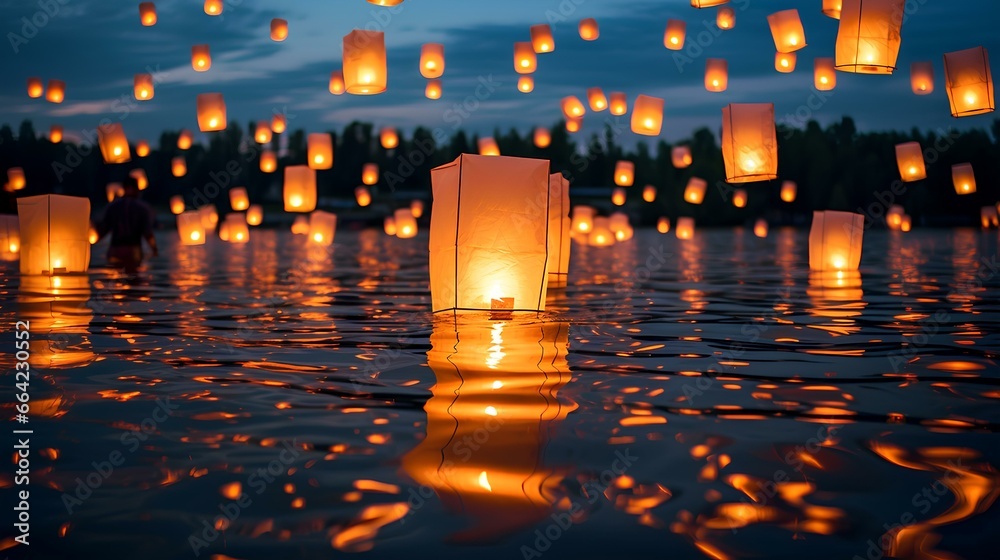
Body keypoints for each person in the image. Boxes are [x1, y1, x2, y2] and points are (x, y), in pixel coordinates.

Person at [94, 176, 157, 272]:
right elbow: (147, 232)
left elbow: (103, 230)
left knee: (115, 278)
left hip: (115, 250)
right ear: (137, 189)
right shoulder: (142, 208)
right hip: (133, 250)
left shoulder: (113, 206)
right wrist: (154, 250)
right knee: (134, 277)